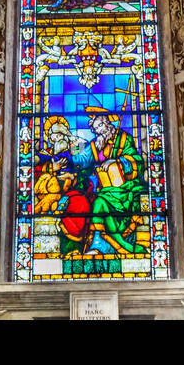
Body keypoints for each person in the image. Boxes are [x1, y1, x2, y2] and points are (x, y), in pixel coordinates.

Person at [67, 108, 146, 256]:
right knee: (98, 200)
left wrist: (118, 162)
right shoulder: (96, 143)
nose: (98, 132)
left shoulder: (124, 138)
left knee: (99, 202)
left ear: (107, 124)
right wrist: (71, 146)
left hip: (126, 188)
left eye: (99, 127)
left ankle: (101, 246)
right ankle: (98, 245)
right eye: (95, 129)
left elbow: (138, 162)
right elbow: (80, 159)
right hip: (105, 189)